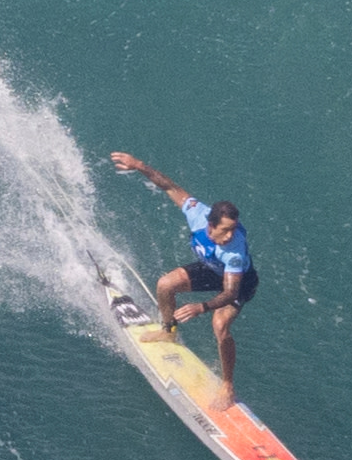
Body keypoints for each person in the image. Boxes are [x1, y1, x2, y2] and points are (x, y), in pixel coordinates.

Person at [109, 150, 259, 400]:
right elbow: (169, 186)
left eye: (234, 229)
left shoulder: (234, 252)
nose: (231, 235)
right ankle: (169, 332)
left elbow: (231, 291)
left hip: (240, 282)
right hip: (212, 268)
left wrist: (202, 306)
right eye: (227, 229)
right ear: (211, 225)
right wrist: (138, 165)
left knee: (220, 325)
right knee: (165, 284)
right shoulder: (197, 214)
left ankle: (228, 386)